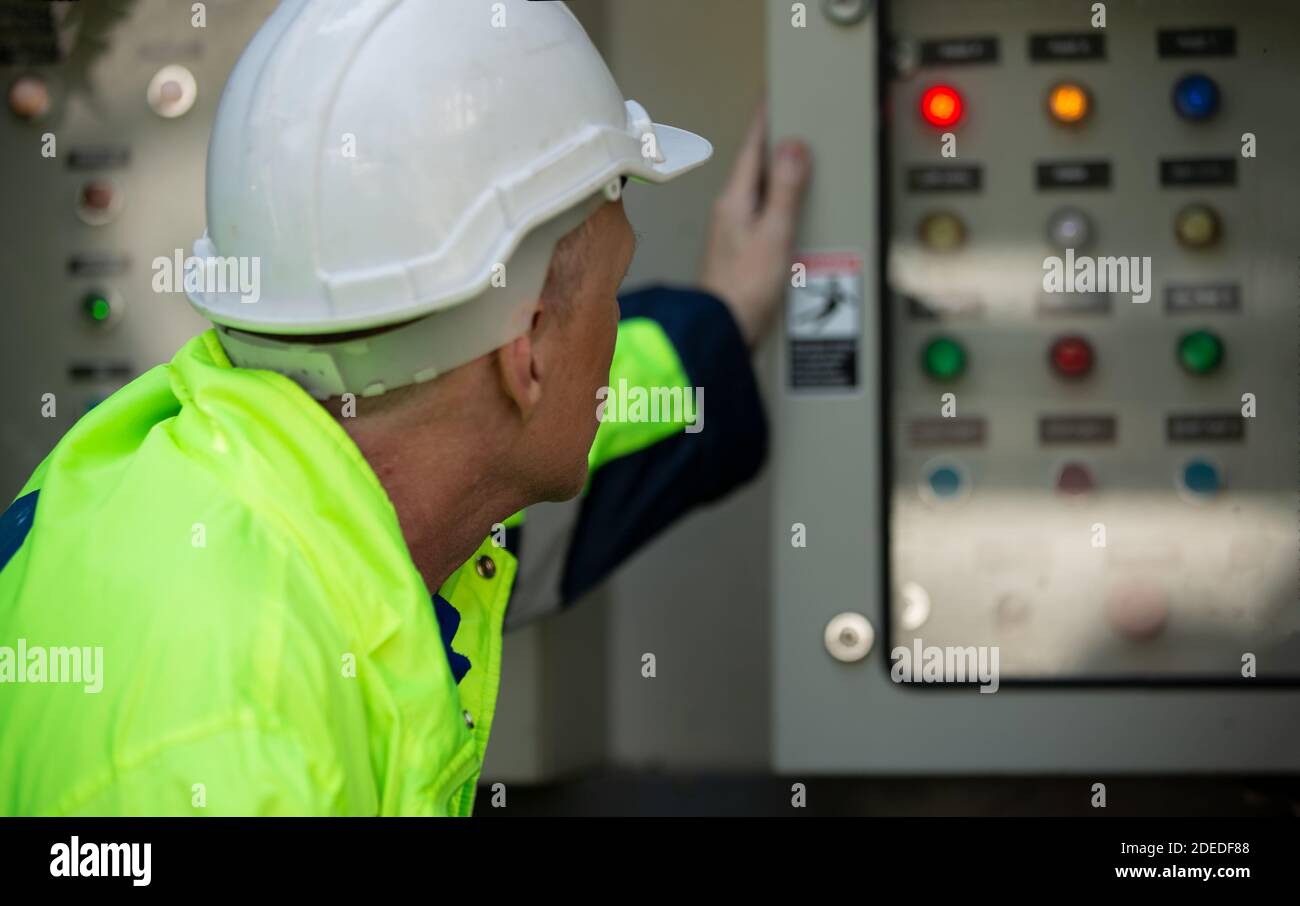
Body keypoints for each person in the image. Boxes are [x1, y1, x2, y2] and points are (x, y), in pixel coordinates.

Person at [0, 0, 809, 816]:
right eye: (613, 291)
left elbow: (548, 413)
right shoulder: (225, 756)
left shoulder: (241, 471)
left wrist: (720, 323)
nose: (615, 327)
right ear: (527, 350)